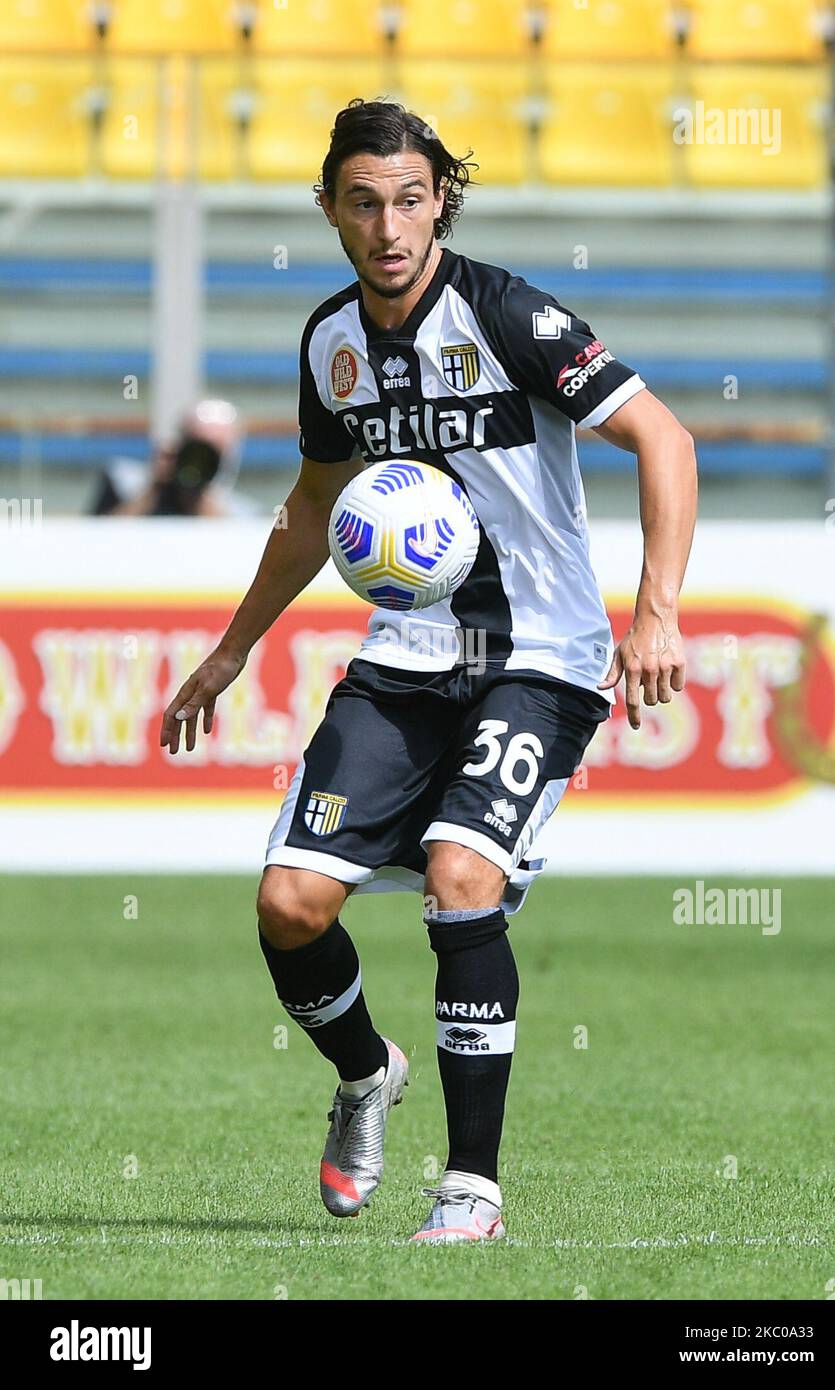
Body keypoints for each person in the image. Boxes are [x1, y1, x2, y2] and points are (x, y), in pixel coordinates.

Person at [159, 99, 697, 1245]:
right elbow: (310, 509)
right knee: (289, 906)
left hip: (540, 658)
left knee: (463, 874)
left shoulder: (509, 314)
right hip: (402, 662)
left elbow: (666, 437)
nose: (389, 225)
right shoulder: (329, 344)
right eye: (364, 202)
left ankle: (472, 1190)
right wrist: (232, 645)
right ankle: (365, 1075)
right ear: (331, 212)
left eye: (410, 198)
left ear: (440, 198)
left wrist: (655, 615)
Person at [89, 398, 256, 517]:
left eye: (213, 450)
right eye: (195, 446)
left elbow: (231, 549)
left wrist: (200, 500)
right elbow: (100, 540)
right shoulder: (122, 482)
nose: (200, 459)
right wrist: (154, 488)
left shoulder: (243, 514)